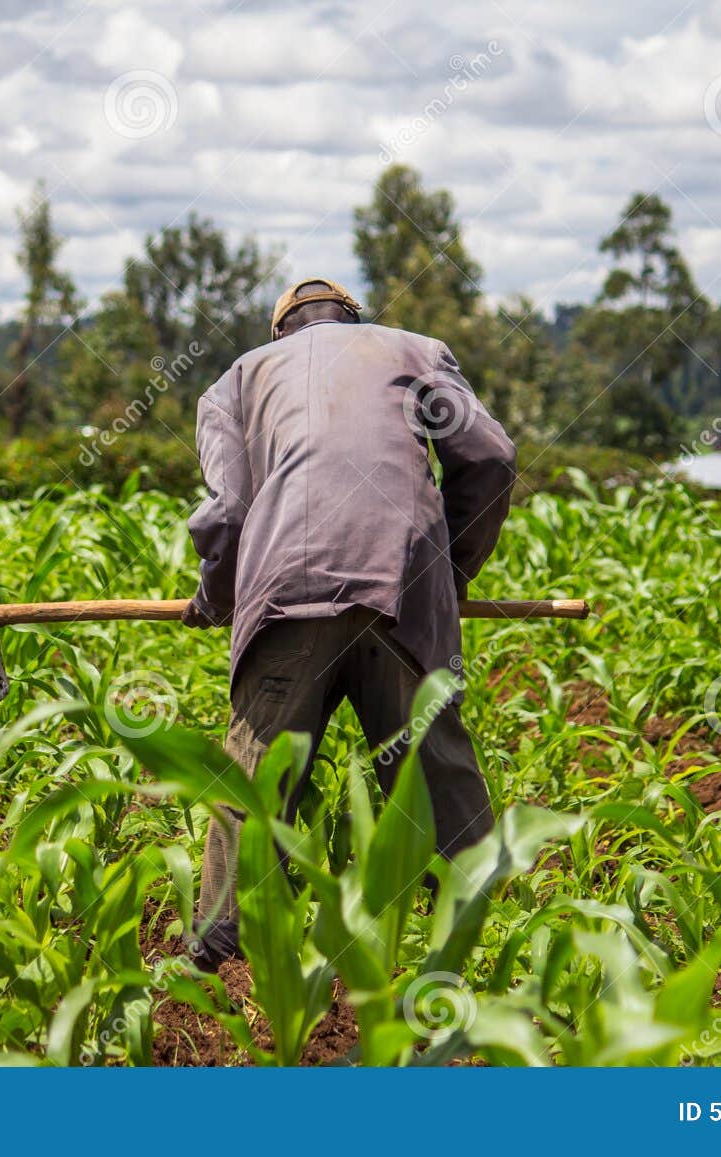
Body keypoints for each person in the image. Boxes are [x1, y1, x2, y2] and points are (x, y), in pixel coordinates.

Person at [181, 276, 517, 966]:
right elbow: (491, 458)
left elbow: (229, 512)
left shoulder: (237, 381)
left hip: (288, 594)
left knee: (252, 787)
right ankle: (500, 949)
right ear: (354, 319)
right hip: (403, 590)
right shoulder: (415, 351)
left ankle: (215, 973)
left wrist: (216, 598)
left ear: (282, 332)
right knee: (437, 779)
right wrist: (445, 576)